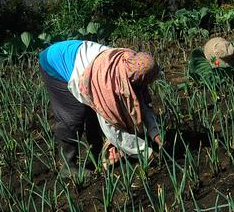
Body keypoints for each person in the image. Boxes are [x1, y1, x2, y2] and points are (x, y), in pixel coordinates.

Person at [38, 39, 163, 170]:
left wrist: (155, 132)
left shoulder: (134, 66)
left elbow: (143, 104)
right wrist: (145, 152)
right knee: (73, 117)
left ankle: (96, 152)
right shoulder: (107, 86)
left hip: (76, 52)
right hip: (55, 62)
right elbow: (112, 130)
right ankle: (67, 166)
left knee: (94, 112)